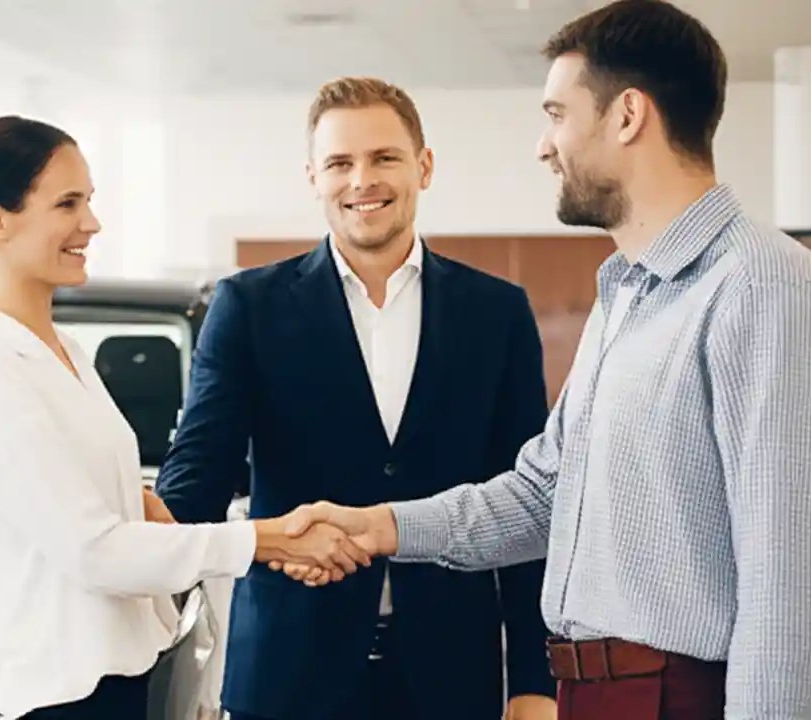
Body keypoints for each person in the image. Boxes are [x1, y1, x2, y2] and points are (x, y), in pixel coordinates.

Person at [278, 1, 811, 719]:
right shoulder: (627, 292)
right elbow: (544, 491)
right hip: (594, 690)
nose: (544, 146)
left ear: (628, 115)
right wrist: (383, 526)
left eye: (557, 115)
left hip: (680, 695)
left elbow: (790, 589)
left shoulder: (764, 290)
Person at [0, 115, 374, 720]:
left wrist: (258, 545)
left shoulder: (63, 350)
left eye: (89, 201)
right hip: (56, 703)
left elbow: (131, 512)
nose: (90, 223)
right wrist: (268, 538)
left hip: (124, 684)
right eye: (67, 203)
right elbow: (94, 551)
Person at [155, 77, 557, 720]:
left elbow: (530, 502)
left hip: (453, 675)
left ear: (423, 167)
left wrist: (536, 681)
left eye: (384, 158)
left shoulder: (496, 313)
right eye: (340, 162)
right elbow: (197, 483)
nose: (361, 180)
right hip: (289, 675)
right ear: (313, 175)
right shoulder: (247, 308)